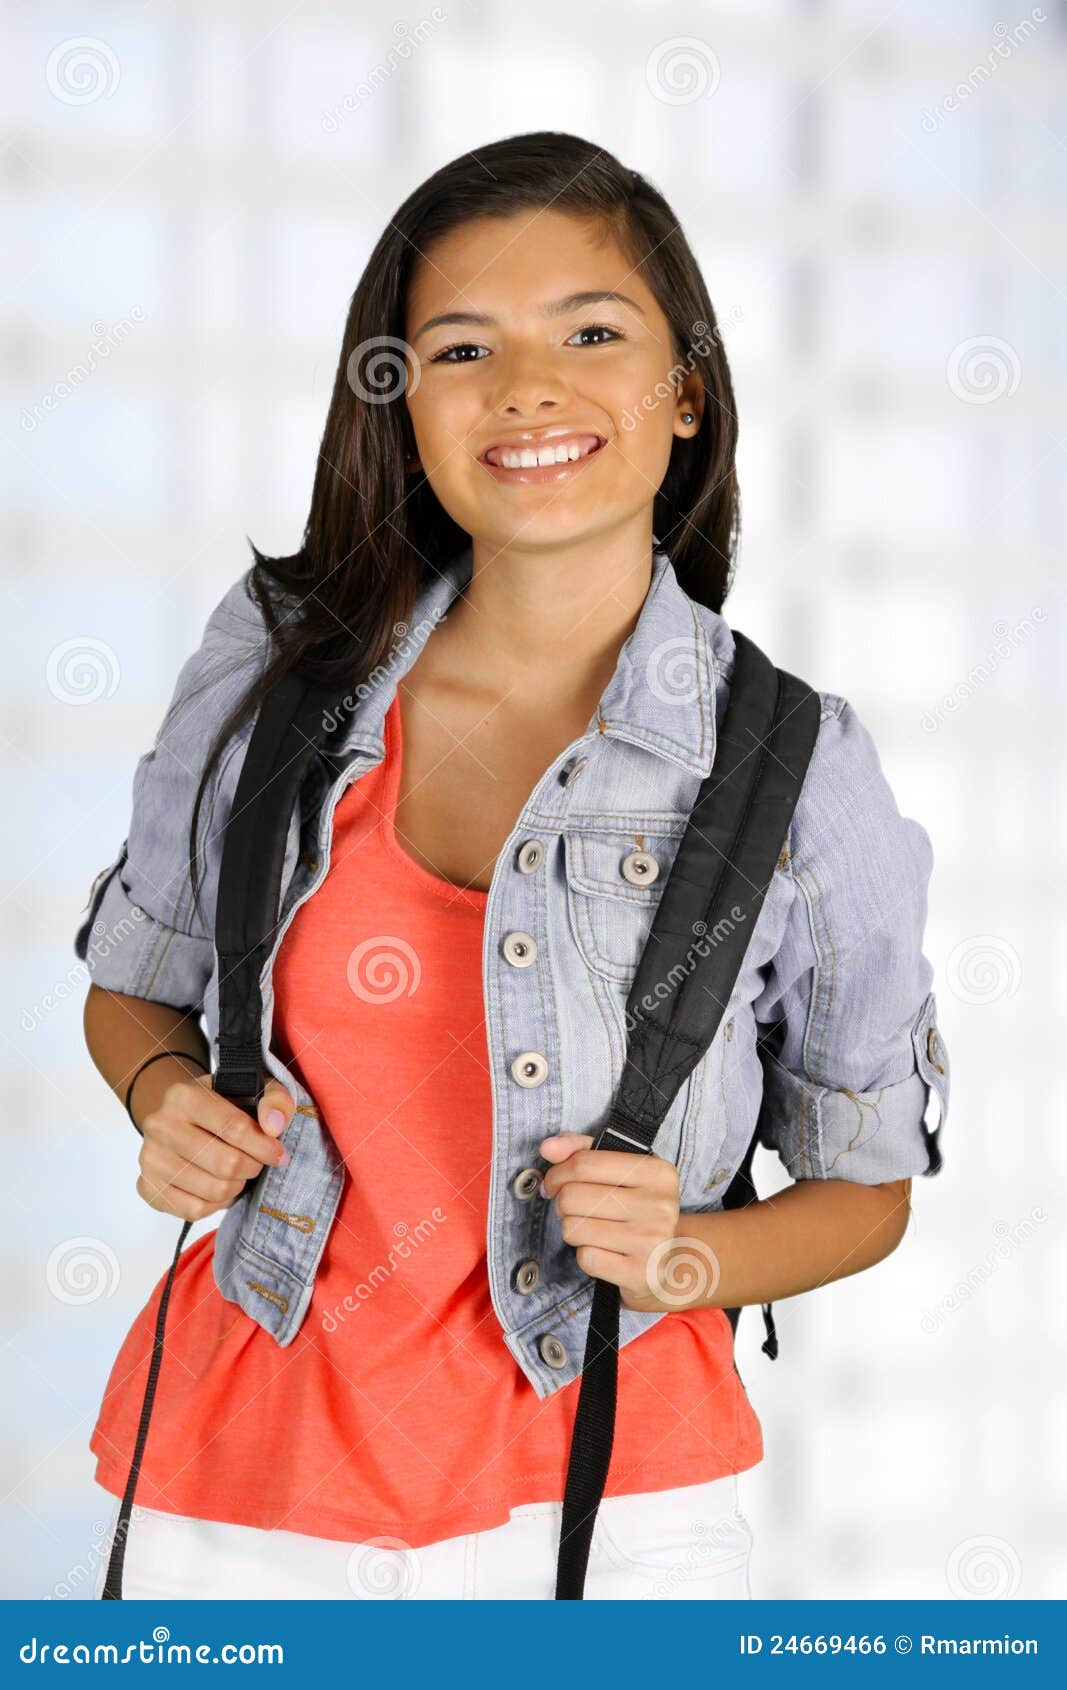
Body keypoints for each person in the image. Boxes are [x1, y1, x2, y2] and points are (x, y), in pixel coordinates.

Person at [77, 131, 949, 1601]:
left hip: (621, 1503)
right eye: (462, 346)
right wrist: (166, 1097)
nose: (529, 388)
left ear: (686, 392)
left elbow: (867, 1186)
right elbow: (136, 992)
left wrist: (691, 1254)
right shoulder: (276, 664)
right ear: (400, 402)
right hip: (239, 1485)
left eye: (592, 333)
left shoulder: (797, 766)